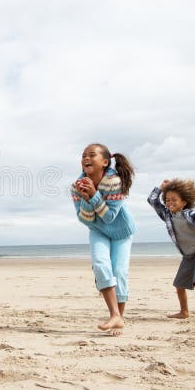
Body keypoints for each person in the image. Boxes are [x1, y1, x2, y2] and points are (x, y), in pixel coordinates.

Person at [70, 144, 136, 336]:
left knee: (119, 270)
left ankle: (118, 319)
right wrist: (86, 197)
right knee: (100, 264)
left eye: (91, 155)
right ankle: (114, 314)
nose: (86, 158)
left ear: (105, 162)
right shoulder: (76, 186)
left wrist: (95, 195)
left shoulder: (115, 182)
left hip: (121, 231)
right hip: (97, 229)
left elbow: (110, 217)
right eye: (83, 156)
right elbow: (84, 219)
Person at [148, 179, 195, 322]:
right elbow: (152, 201)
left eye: (174, 200)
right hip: (188, 254)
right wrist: (160, 188)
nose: (170, 202)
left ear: (184, 202)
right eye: (167, 200)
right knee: (179, 284)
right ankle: (184, 312)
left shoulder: (189, 214)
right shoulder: (167, 215)